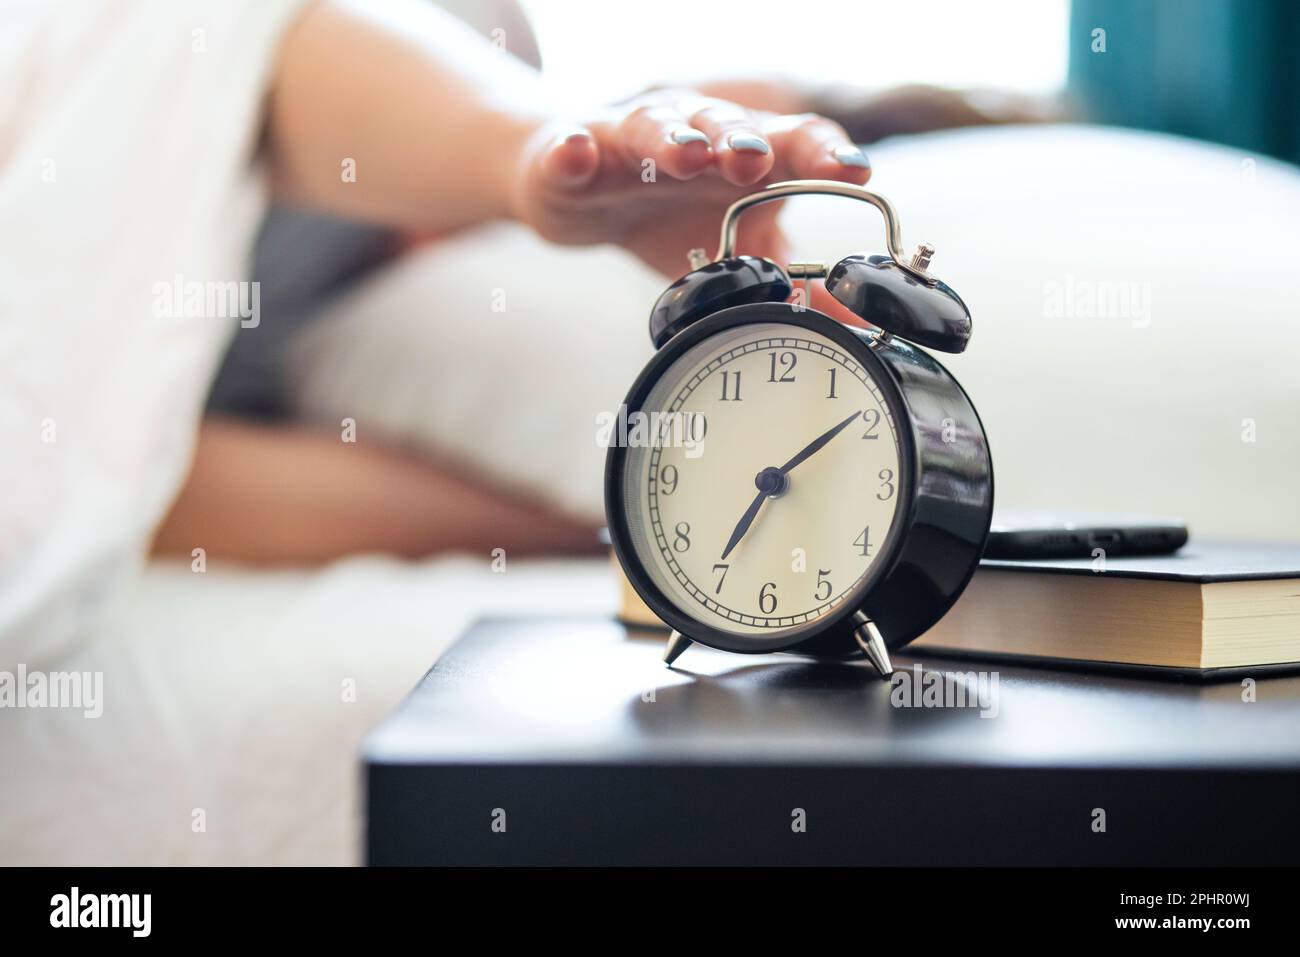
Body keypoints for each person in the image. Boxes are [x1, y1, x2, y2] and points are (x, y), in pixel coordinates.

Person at [0, 0, 1037, 660]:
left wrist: (633, 535)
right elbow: (226, 41)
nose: (710, 146)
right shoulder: (481, 44)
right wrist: (528, 154)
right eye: (715, 124)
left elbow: (129, 467)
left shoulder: (403, 320)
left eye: (757, 157)